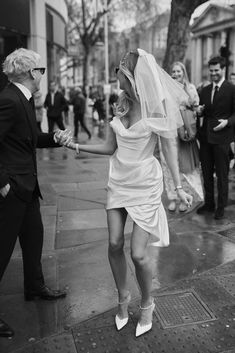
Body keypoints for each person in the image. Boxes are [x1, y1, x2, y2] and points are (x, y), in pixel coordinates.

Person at [58, 49, 193, 337]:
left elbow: (169, 147)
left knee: (139, 254)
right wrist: (75, 147)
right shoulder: (121, 105)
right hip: (118, 181)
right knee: (114, 243)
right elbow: (110, 148)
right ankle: (122, 299)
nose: (115, 75)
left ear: (129, 74)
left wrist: (178, 188)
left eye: (119, 70)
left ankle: (147, 303)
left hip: (144, 184)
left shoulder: (157, 108)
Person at [0, 48, 67, 338]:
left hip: (28, 187)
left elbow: (28, 139)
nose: (43, 74)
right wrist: (2, 182)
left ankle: (35, 287)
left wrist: (55, 138)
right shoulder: (8, 100)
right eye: (40, 69)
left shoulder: (23, 100)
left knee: (34, 238)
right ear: (31, 73)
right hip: (12, 189)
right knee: (1, 252)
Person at [161, 61, 203, 212]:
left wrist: (186, 106)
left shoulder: (190, 88)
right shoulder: (166, 89)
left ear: (184, 72)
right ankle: (173, 197)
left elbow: (197, 107)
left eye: (179, 71)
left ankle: (186, 196)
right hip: (169, 132)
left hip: (183, 133)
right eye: (173, 71)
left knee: (184, 166)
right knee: (168, 165)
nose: (176, 74)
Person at [196, 56, 235, 219]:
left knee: (221, 175)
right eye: (211, 71)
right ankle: (209, 204)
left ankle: (221, 207)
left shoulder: (232, 89)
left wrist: (227, 122)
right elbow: (204, 111)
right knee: (206, 174)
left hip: (222, 139)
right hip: (205, 138)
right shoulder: (204, 90)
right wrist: (200, 111)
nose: (213, 73)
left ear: (223, 69)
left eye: (216, 70)